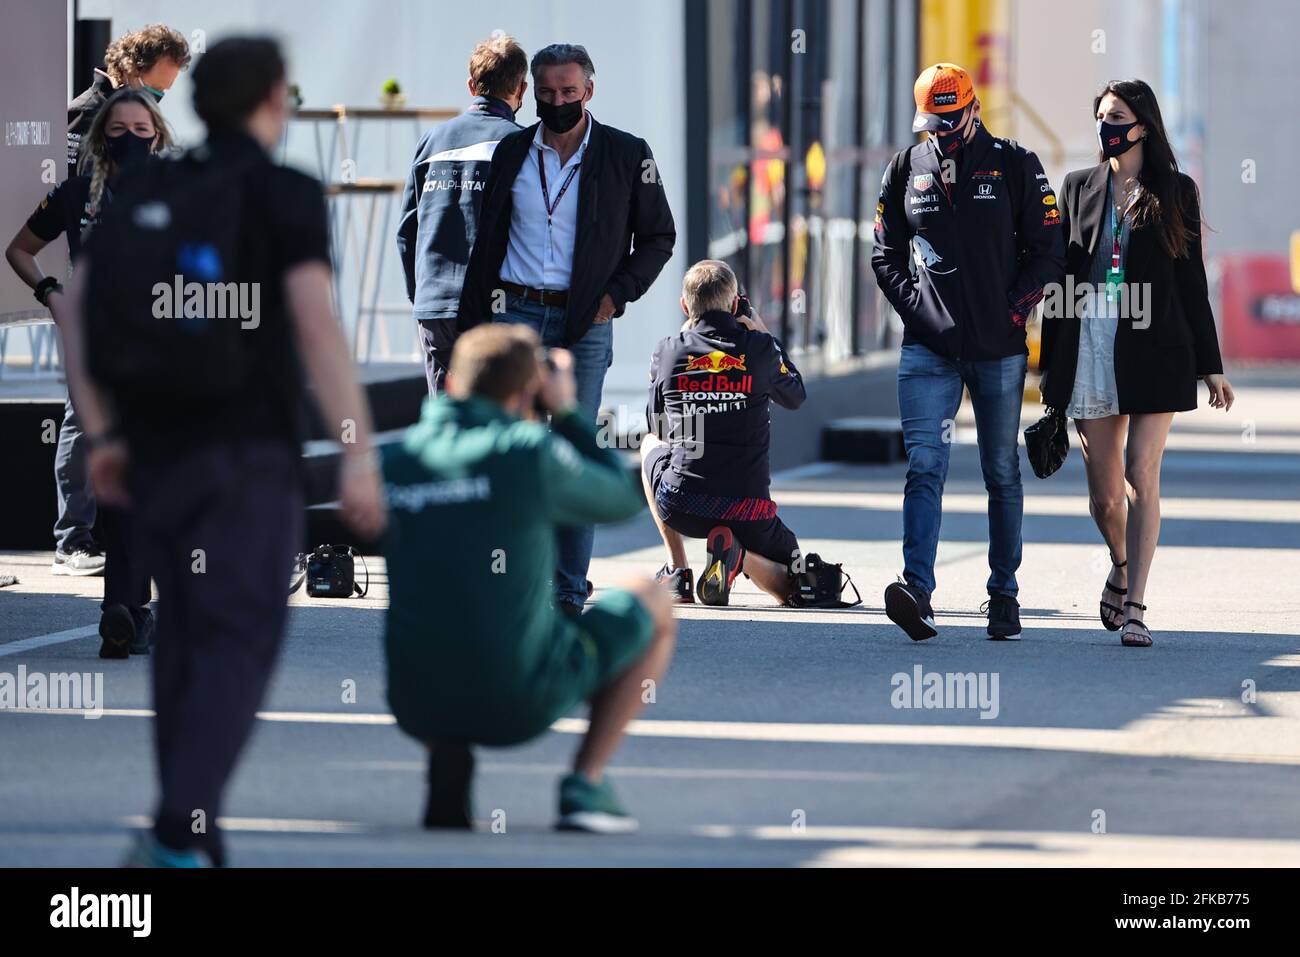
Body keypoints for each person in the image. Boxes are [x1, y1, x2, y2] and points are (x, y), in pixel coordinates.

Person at [58, 36, 386, 867]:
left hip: (153, 453)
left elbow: (81, 318)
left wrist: (101, 432)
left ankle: (193, 824)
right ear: (276, 97)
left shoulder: (148, 186)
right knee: (237, 642)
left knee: (182, 639)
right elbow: (317, 328)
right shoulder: (285, 193)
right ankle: (178, 829)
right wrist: (357, 450)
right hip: (249, 458)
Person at [383, 323, 676, 834]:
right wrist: (566, 413)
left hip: (415, 701)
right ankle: (584, 784)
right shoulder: (525, 453)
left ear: (451, 384)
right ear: (527, 393)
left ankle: (446, 754)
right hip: (516, 701)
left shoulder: (395, 461)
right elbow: (625, 496)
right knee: (651, 598)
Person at [458, 42, 676, 617]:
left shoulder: (627, 154)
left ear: (590, 90)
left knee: (574, 447)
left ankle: (566, 589)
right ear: (531, 91)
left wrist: (614, 296)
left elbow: (659, 238)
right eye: (548, 93)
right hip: (515, 315)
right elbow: (483, 239)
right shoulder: (509, 151)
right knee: (507, 448)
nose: (557, 103)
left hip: (584, 321)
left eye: (569, 93)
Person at [872, 63, 1065, 642]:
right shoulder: (906, 167)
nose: (940, 133)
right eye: (930, 123)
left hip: (998, 348)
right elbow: (883, 255)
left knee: (999, 470)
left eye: (949, 122)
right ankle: (918, 592)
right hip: (928, 348)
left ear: (974, 109)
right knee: (924, 464)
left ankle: (1003, 595)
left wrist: (1013, 308)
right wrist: (920, 312)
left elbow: (1050, 251)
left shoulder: (1016, 164)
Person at [1039, 80, 1233, 648]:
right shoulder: (1077, 187)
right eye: (1101, 115)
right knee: (1104, 496)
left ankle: (1138, 608)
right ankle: (1121, 564)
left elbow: (1192, 281)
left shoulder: (1176, 191)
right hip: (1091, 337)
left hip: (1156, 344)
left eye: (1116, 116)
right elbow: (1062, 279)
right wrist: (1052, 368)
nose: (1107, 126)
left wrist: (1211, 364)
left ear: (1142, 124)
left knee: (1140, 471)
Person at [6, 89, 173, 653]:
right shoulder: (78, 191)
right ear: (103, 135)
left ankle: (123, 608)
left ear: (159, 134)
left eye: (141, 128)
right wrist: (52, 294)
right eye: (121, 128)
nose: (133, 137)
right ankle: (127, 606)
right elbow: (19, 250)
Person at [641, 260, 807, 606]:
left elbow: (656, 426)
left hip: (683, 504)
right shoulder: (760, 349)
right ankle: (739, 556)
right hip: (750, 510)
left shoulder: (668, 350)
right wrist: (762, 332)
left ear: (685, 307)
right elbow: (795, 396)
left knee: (647, 444)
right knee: (792, 585)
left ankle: (678, 571)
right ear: (736, 305)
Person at [397, 33, 528, 395]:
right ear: (522, 89)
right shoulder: (521, 144)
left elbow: (407, 231)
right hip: (493, 307)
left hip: (434, 305)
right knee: (495, 416)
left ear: (472, 85)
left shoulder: (432, 141)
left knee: (449, 418)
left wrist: (423, 293)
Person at [68, 23, 190, 177]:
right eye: (153, 89)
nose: (154, 99)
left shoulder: (146, 117)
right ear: (128, 70)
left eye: (162, 92)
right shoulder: (85, 113)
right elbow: (74, 191)